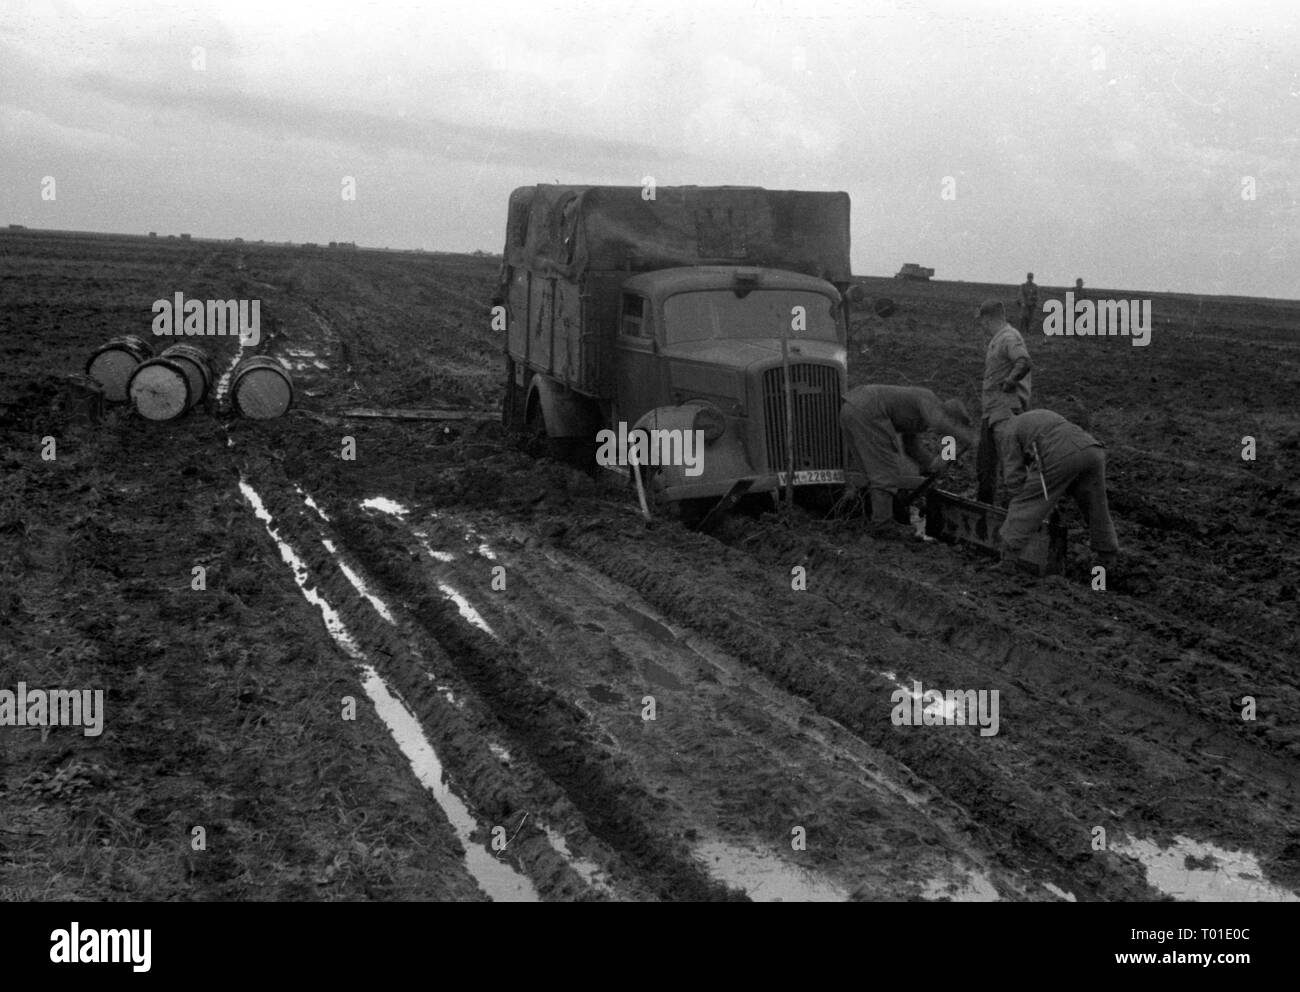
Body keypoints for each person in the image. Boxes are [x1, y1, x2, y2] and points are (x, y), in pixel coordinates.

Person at [840, 384, 975, 536]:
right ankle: (882, 524)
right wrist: (968, 438)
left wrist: (932, 464)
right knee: (884, 472)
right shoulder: (929, 399)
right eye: (953, 425)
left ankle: (862, 513)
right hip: (869, 410)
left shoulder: (919, 414)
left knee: (869, 472)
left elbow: (911, 446)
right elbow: (941, 424)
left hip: (852, 407)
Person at [995, 408, 1118, 569]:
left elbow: (1014, 477)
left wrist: (1016, 497)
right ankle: (1106, 557)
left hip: (1062, 454)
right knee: (1096, 505)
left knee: (1027, 503)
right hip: (1091, 450)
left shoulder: (1008, 430)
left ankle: (1008, 560)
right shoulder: (1038, 415)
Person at [974, 298, 1032, 504]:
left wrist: (1010, 381)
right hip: (991, 412)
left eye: (981, 321)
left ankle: (1018, 519)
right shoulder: (998, 339)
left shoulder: (1008, 337)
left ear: (988, 319)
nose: (981, 326)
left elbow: (1024, 361)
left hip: (1005, 412)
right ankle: (984, 511)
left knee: (1012, 469)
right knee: (985, 466)